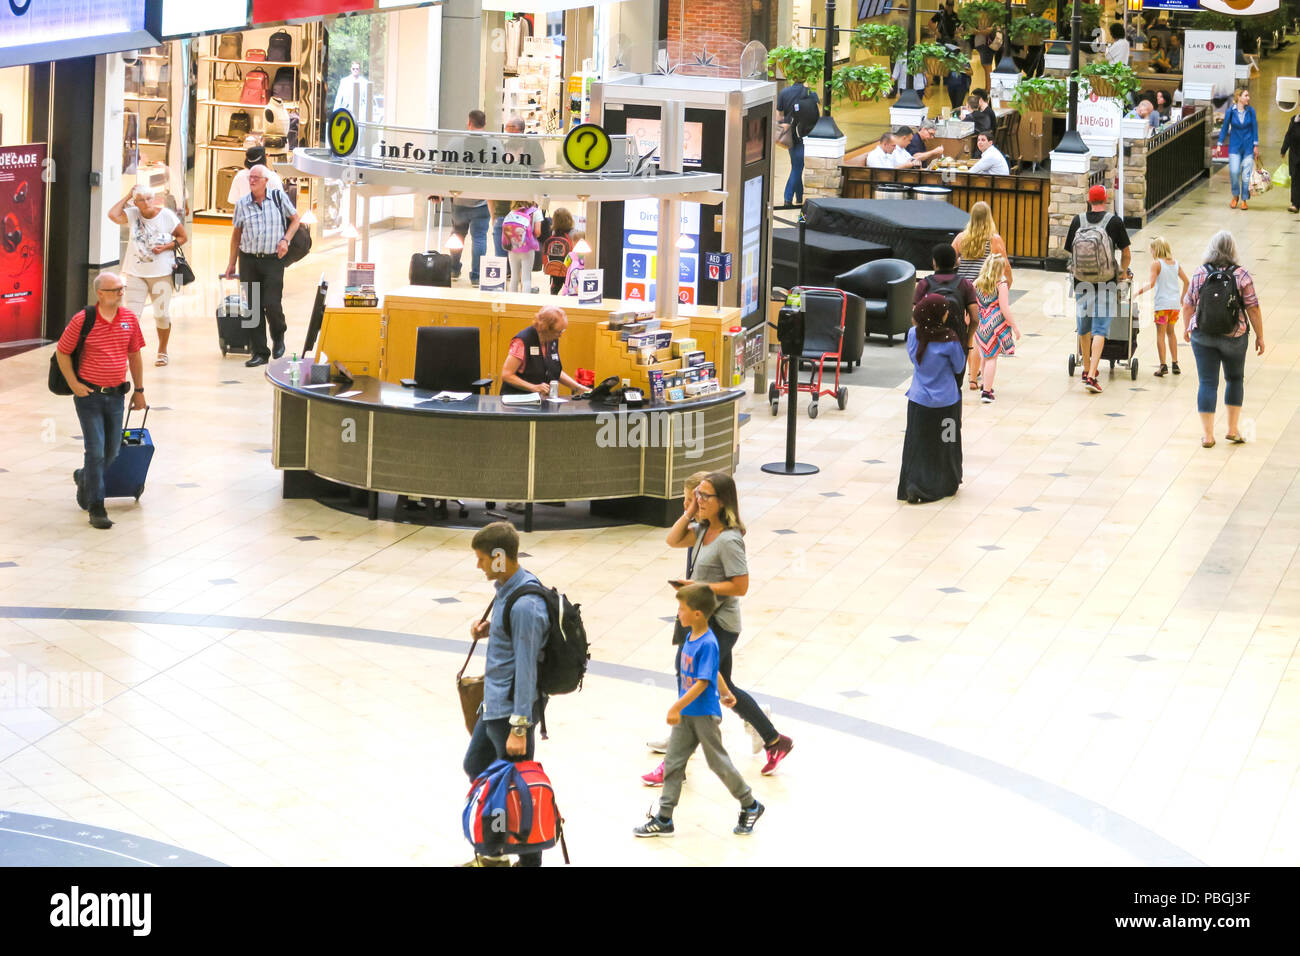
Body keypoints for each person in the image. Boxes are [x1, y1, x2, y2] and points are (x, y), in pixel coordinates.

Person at [664, 472, 794, 775]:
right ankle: (774, 739)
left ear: (722, 502)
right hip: (697, 618)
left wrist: (702, 587)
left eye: (705, 496)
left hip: (719, 623)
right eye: (697, 494)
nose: (699, 499)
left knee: (690, 675)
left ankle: (677, 754)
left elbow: (740, 586)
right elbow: (672, 539)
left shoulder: (729, 540)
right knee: (725, 687)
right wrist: (689, 512)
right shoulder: (700, 530)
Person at [633, 583, 765, 838]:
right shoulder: (691, 638)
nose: (678, 613)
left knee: (718, 763)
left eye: (682, 609)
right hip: (687, 715)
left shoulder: (708, 642)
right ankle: (664, 818)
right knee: (673, 763)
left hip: (703, 714)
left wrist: (677, 705)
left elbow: (704, 681)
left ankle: (750, 805)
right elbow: (713, 671)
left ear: (698, 614)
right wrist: (727, 693)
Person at [462, 521, 548, 867]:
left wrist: (519, 727)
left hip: (513, 712)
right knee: (477, 765)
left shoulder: (526, 603)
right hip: (494, 704)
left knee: (518, 790)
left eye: (482, 559)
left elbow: (527, 668)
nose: (479, 565)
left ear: (499, 557)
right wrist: (489, 632)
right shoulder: (506, 589)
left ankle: (523, 861)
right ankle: (495, 853)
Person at [56, 273, 148, 530]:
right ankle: (96, 506)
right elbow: (62, 352)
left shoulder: (129, 318)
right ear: (100, 293)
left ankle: (84, 477)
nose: (121, 293)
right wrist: (74, 384)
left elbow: (135, 355)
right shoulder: (83, 319)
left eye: (122, 289)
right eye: (115, 289)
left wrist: (139, 391)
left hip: (116, 396)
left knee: (112, 451)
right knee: (95, 451)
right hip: (89, 397)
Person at [1179, 230, 1265, 449]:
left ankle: (1208, 436)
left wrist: (1187, 328)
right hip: (1234, 337)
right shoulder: (1241, 274)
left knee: (1207, 383)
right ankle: (1232, 430)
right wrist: (1260, 336)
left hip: (1203, 335)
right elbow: (1253, 307)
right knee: (1234, 379)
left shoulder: (1200, 273)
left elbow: (1188, 303)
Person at [223, 165, 300, 368]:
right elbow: (236, 235)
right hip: (248, 259)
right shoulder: (242, 204)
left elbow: (295, 220)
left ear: (266, 180)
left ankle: (278, 335)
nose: (252, 180)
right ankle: (260, 352)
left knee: (272, 303)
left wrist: (286, 240)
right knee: (253, 307)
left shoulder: (278, 197)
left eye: (256, 177)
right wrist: (231, 263)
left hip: (273, 260)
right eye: (250, 178)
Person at [1065, 184, 1132, 395]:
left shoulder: (1078, 221)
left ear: (1089, 200)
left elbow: (1070, 250)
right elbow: (1127, 253)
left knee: (1083, 328)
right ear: (1106, 199)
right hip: (1106, 282)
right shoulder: (1114, 222)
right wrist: (1122, 273)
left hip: (1081, 282)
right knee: (1100, 329)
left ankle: (1085, 369)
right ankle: (1093, 375)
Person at [107, 185, 185, 368]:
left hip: (162, 273)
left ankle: (162, 350)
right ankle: (127, 354)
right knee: (132, 316)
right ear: (136, 202)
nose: (146, 203)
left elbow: (182, 237)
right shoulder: (132, 213)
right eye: (141, 200)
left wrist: (165, 248)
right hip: (135, 273)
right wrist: (126, 195)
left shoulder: (166, 215)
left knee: (162, 316)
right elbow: (112, 215)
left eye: (149, 198)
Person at [898, 294, 964, 504]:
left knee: (918, 444)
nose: (947, 313)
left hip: (918, 400)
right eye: (945, 310)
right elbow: (959, 366)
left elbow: (912, 358)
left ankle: (913, 484)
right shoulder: (950, 339)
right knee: (948, 441)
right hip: (947, 403)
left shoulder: (912, 334)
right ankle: (946, 482)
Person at [953, 201, 1012, 389]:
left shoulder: (961, 238)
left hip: (963, 290)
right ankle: (973, 377)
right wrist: (1006, 285)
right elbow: (1004, 264)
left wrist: (960, 262)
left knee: (967, 334)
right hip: (982, 292)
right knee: (978, 335)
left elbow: (949, 258)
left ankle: (971, 375)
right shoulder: (993, 239)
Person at [915, 242, 980, 389]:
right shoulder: (965, 285)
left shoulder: (924, 284)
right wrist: (968, 338)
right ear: (956, 261)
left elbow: (915, 316)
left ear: (934, 261)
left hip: (929, 343)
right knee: (955, 388)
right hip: (957, 341)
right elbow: (975, 318)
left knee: (928, 384)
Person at [500, 305, 589, 396]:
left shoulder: (551, 339)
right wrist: (533, 387)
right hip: (517, 399)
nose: (560, 335)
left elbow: (554, 370)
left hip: (540, 400)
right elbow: (507, 375)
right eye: (558, 331)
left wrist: (578, 388)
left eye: (563, 331)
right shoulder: (522, 341)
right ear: (545, 328)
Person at [448, 110, 494, 283]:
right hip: (482, 199)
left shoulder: (456, 140)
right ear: (485, 123)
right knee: (480, 238)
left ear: (469, 122)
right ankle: (476, 276)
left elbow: (445, 164)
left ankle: (453, 269)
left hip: (460, 198)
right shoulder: (493, 141)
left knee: (457, 234)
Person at [1135, 235, 1188, 378]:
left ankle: (1163, 365)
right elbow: (1187, 282)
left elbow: (1151, 284)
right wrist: (1182, 297)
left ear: (1156, 250)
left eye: (1151, 250)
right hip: (1174, 305)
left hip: (1162, 305)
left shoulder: (1156, 264)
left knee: (1160, 334)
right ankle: (1175, 363)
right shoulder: (1175, 264)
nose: (1151, 254)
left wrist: (1137, 292)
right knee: (1171, 333)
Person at [972, 253, 1020, 403]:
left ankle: (985, 384)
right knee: (992, 357)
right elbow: (1004, 308)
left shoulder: (977, 282)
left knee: (984, 354)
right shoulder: (1001, 284)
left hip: (980, 322)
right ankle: (986, 393)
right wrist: (1015, 326)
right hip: (995, 323)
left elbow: (972, 305)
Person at [777, 78, 819, 205]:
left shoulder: (784, 92)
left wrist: (781, 128)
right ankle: (788, 197)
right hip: (806, 133)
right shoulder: (811, 92)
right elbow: (817, 113)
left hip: (790, 133)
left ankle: (798, 196)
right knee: (797, 166)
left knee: (796, 165)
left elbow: (779, 115)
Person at [1220, 88, 1260, 210]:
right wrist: (1219, 143)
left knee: (1246, 175)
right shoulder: (1230, 112)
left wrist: (1256, 145)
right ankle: (1235, 195)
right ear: (1239, 97)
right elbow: (1225, 127)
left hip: (1248, 147)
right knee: (1234, 172)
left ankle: (1244, 199)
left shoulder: (1251, 111)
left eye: (1248, 95)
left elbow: (1255, 127)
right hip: (1235, 147)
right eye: (1246, 95)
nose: (1248, 98)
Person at [502, 199, 542, 293]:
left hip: (512, 248)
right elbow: (538, 232)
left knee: (514, 277)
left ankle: (513, 302)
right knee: (526, 278)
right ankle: (525, 302)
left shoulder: (512, 212)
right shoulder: (535, 212)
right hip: (527, 249)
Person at [544, 207, 575, 294]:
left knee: (555, 286)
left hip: (554, 268)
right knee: (568, 287)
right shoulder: (573, 233)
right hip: (568, 267)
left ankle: (553, 300)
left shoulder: (554, 233)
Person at [1281, 112, 1300, 213]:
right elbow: (1288, 135)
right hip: (1295, 155)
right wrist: (1283, 149)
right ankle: (1295, 204)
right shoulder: (1294, 119)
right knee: (1295, 179)